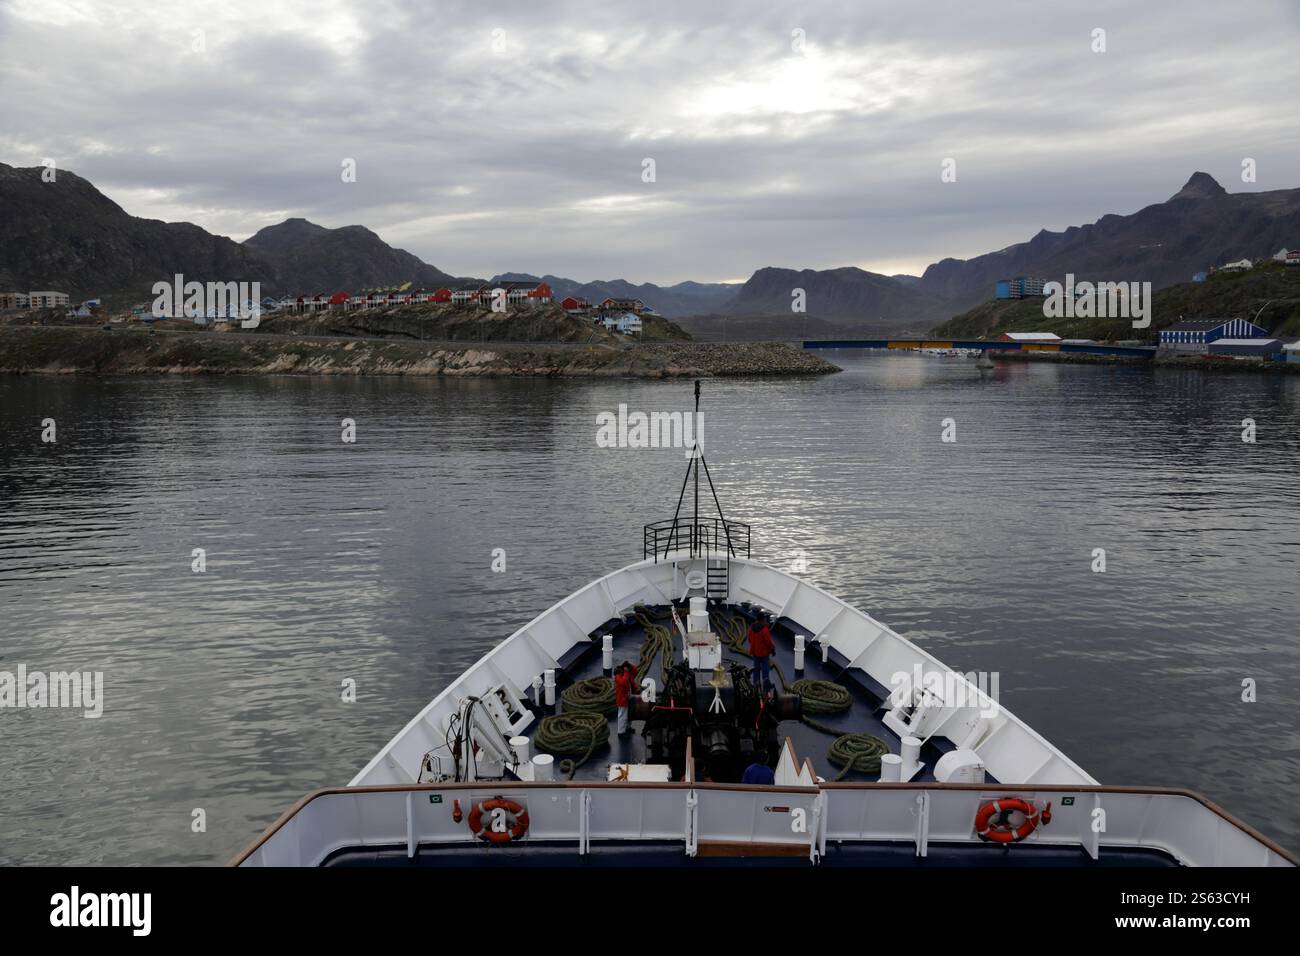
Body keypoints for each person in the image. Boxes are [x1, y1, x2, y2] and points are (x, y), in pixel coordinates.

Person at [748, 615, 774, 692]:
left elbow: (749, 639)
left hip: (755, 651)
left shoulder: (752, 627)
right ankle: (766, 682)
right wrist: (772, 648)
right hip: (764, 652)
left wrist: (754, 645)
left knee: (756, 667)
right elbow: (768, 641)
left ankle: (756, 682)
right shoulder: (764, 629)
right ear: (763, 619)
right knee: (765, 667)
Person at [613, 661, 636, 735]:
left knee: (629, 713)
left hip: (628, 696)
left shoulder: (625, 673)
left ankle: (628, 727)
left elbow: (635, 670)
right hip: (622, 699)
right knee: (622, 715)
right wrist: (626, 672)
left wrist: (630, 665)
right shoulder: (618, 676)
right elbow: (623, 682)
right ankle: (621, 731)